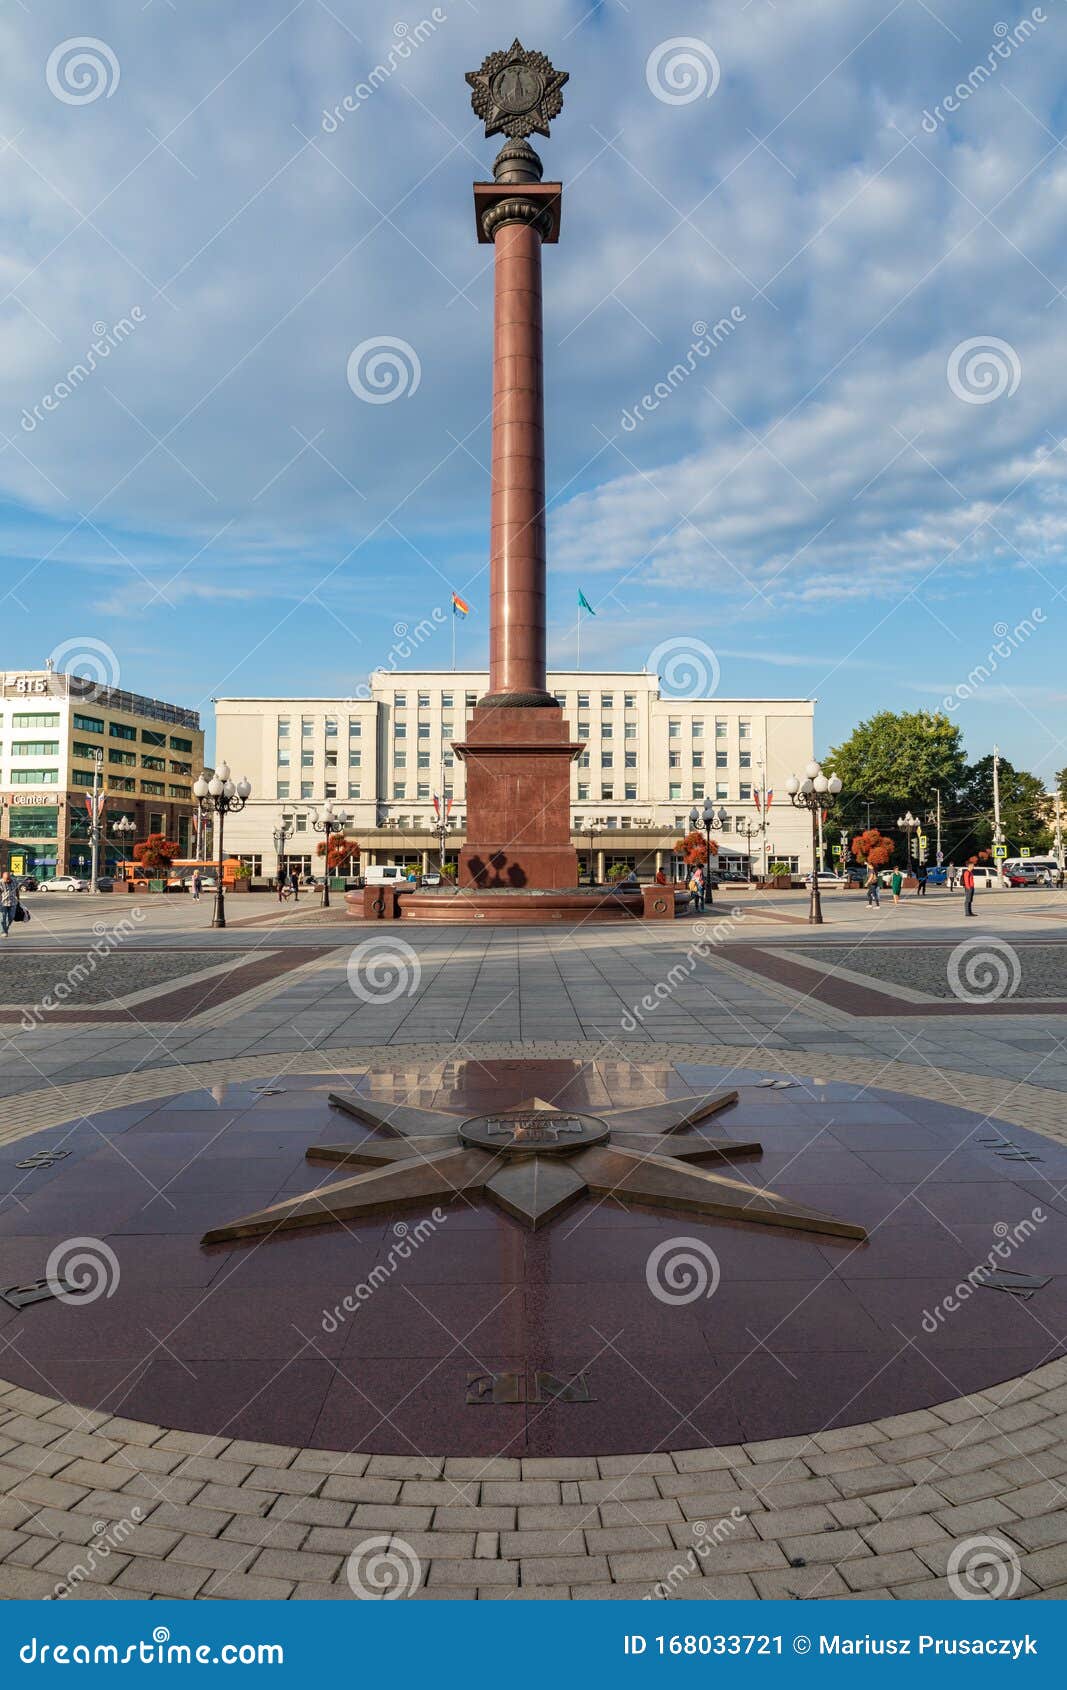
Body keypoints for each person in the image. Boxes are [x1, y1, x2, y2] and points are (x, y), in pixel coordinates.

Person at [0, 871, 20, 937]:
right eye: (6, 879)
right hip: (3, 903)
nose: (8, 880)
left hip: (13, 902)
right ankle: (3, 931)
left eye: (9, 879)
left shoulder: (14, 881)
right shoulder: (0, 882)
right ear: (3, 878)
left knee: (11, 918)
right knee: (2, 918)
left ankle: (6, 929)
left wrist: (18, 898)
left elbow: (17, 890)